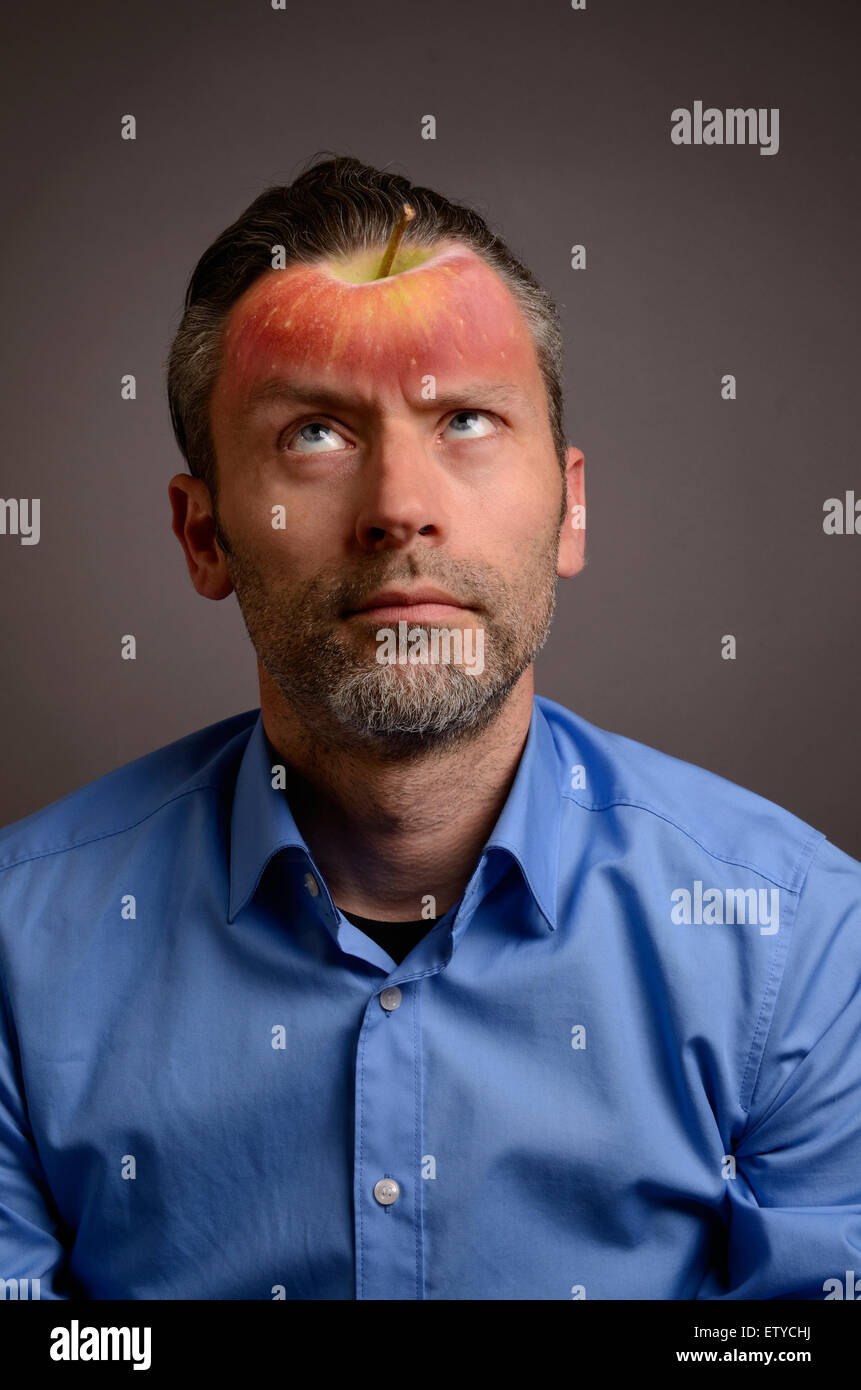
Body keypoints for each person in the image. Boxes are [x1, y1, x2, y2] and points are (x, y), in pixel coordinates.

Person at [0, 154, 858, 1302]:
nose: (401, 504)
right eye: (314, 432)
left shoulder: (802, 950)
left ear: (571, 506)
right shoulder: (17, 955)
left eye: (464, 417)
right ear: (203, 534)